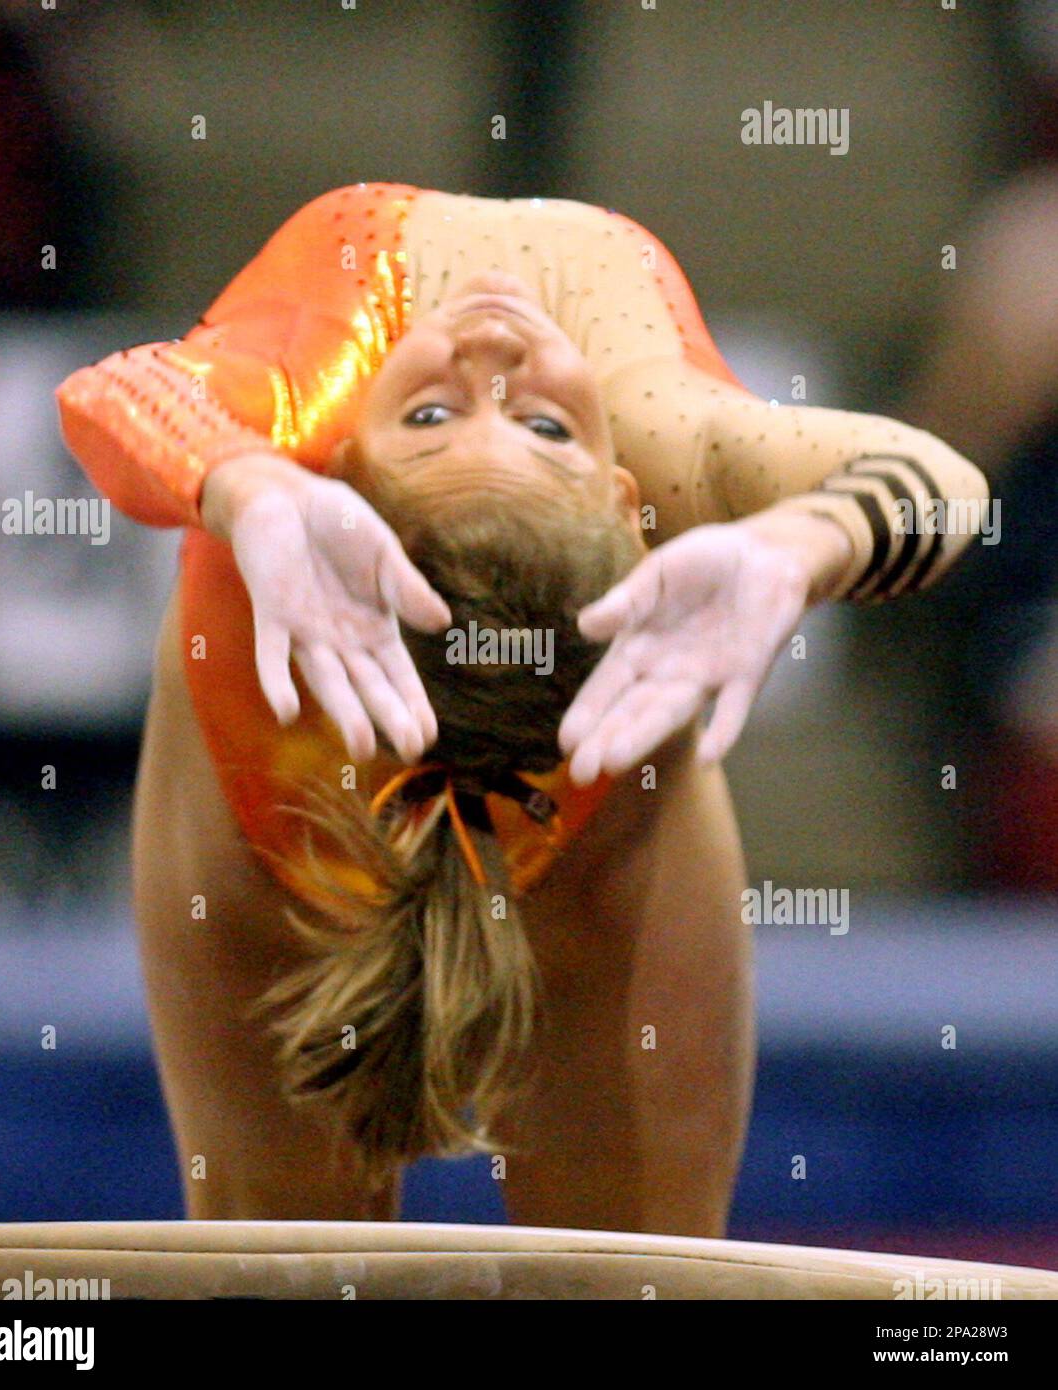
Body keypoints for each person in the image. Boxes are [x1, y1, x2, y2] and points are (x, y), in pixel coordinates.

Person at [56, 182, 988, 1235]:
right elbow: (941, 483)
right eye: (548, 426)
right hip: (301, 833)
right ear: (631, 503)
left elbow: (110, 392)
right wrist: (799, 542)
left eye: (430, 418)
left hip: (312, 812)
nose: (488, 362)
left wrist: (248, 485)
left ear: (345, 463)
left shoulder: (305, 415)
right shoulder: (665, 438)